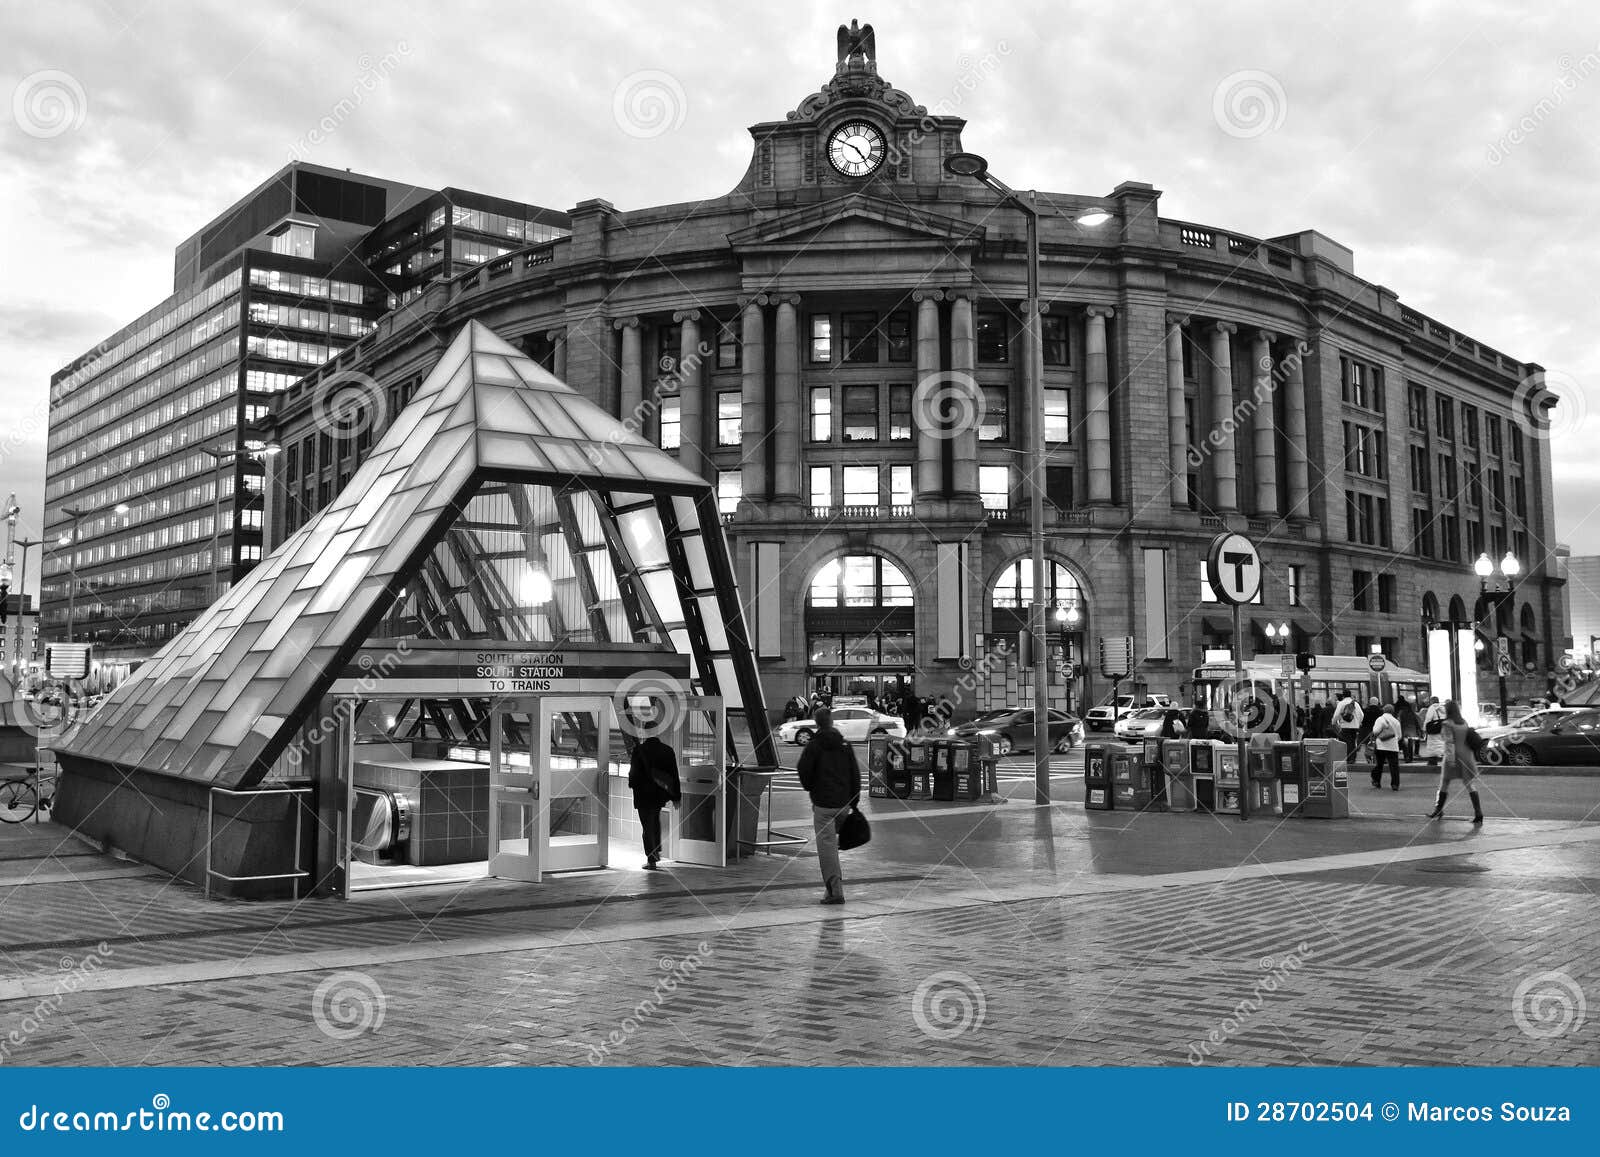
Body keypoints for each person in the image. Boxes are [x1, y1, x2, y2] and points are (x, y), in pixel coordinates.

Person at [796, 706, 862, 905]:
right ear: (832, 722)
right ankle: (832, 889)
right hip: (843, 803)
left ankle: (835, 890)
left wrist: (812, 789)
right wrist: (854, 801)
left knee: (827, 849)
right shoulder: (844, 744)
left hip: (824, 806)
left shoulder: (814, 746)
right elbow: (855, 773)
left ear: (817, 723)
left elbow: (804, 770)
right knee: (834, 845)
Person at [627, 727, 681, 870]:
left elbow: (633, 775)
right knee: (655, 823)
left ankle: (652, 858)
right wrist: (676, 796)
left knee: (647, 826)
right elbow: (674, 774)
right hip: (659, 795)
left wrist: (633, 785)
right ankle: (656, 852)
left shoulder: (639, 751)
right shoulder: (667, 750)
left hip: (643, 795)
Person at [1428, 699, 1484, 825]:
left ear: (1448, 711)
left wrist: (1450, 760)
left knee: (1444, 782)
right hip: (1467, 755)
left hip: (1453, 756)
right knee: (1469, 784)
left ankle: (1438, 810)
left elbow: (1449, 743)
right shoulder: (1463, 722)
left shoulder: (1447, 724)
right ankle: (1478, 813)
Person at [1369, 701, 1402, 790]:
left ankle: (1377, 781)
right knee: (1394, 766)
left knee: (1379, 765)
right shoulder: (1396, 721)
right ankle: (1395, 784)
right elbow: (1399, 736)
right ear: (1392, 711)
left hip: (1381, 746)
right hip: (1393, 747)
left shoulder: (1380, 719)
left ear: (1383, 710)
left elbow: (1375, 731)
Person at [1332, 692, 1362, 757]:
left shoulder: (1341, 703)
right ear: (1350, 695)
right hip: (1355, 727)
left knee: (1345, 743)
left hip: (1345, 726)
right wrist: (1358, 723)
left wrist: (1333, 722)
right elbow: (1362, 715)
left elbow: (1336, 715)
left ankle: (1347, 758)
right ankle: (1353, 758)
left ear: (1343, 696)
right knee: (1353, 742)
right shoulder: (1356, 704)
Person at [1421, 696, 1447, 765]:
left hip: (1434, 729)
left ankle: (1432, 761)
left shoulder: (1432, 708)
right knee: (1442, 744)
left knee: (1433, 745)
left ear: (1432, 701)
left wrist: (1424, 729)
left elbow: (1428, 719)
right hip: (1442, 729)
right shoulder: (1443, 708)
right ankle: (1444, 761)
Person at [1396, 694, 1421, 762]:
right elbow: (1416, 722)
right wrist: (1418, 729)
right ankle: (1410, 758)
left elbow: (1399, 721)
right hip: (1412, 731)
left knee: (1405, 745)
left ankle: (1406, 757)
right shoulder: (1412, 713)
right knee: (1410, 744)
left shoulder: (1401, 713)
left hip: (1404, 730)